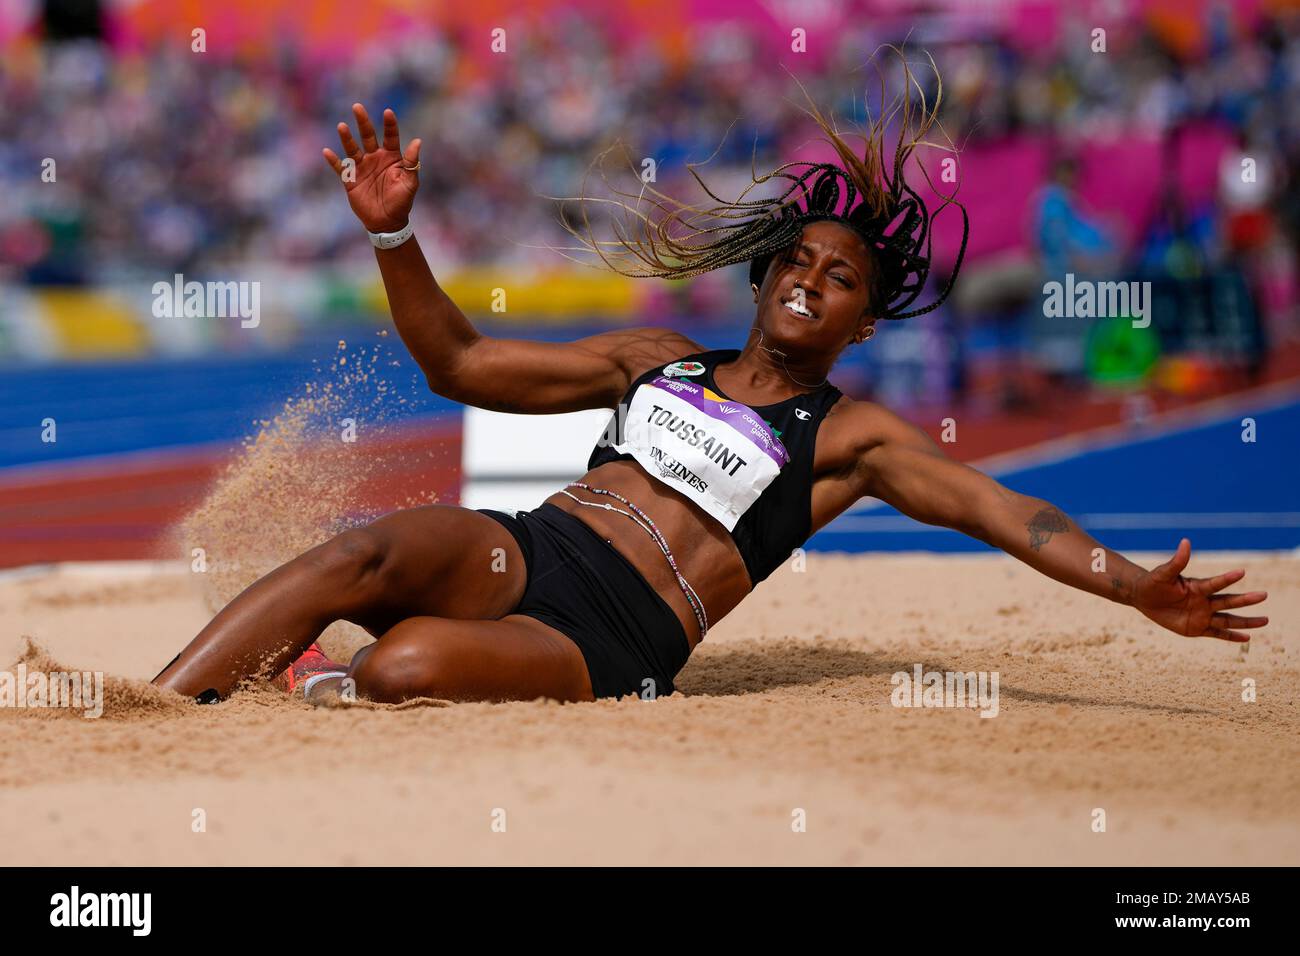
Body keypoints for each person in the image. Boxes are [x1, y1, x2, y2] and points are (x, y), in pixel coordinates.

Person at [152, 54, 1268, 706]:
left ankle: (328, 680)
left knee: (402, 668)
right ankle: (160, 712)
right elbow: (459, 361)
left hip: (618, 637)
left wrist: (1133, 585)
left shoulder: (848, 434)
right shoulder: (657, 362)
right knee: (362, 551)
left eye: (837, 280)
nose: (808, 281)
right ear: (764, 271)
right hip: (532, 545)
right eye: (797, 260)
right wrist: (396, 238)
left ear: (860, 320)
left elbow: (1007, 511)